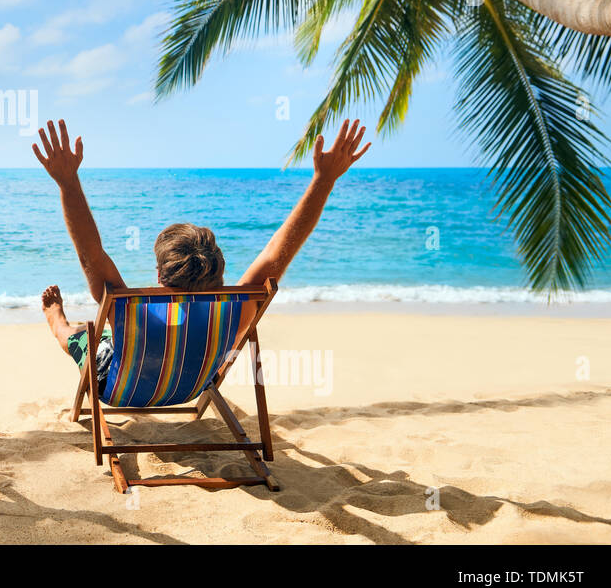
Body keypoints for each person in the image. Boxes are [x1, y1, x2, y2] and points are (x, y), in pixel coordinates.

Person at [31, 118, 370, 392]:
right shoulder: (238, 309)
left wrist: (67, 181)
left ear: (160, 275)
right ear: (219, 271)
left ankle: (57, 319)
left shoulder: (126, 310)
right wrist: (324, 180)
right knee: (110, 334)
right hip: (193, 385)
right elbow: (278, 250)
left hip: (121, 386)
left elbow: (90, 254)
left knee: (82, 337)